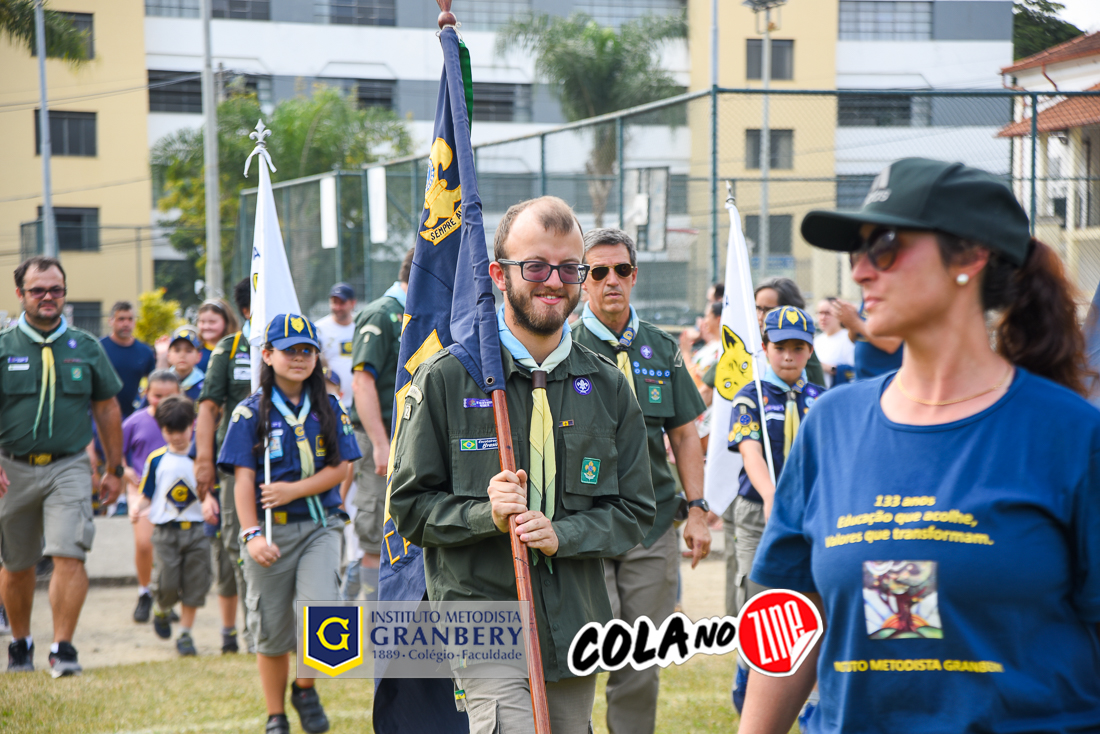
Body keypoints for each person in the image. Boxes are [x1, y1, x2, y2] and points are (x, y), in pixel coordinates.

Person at [740, 158, 1100, 734]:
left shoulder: (1073, 437)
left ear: (970, 256)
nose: (859, 272)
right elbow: (791, 624)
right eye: (856, 251)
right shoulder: (831, 425)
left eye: (884, 245)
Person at [389, 196, 656, 734]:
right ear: (498, 273)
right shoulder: (449, 378)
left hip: (575, 621)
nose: (553, 281)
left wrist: (565, 533)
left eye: (568, 268)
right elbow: (409, 509)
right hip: (482, 615)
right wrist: (483, 514)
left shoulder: (607, 386)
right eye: (534, 266)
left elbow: (635, 511)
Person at [573, 227, 711, 734]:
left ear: (635, 276)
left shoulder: (662, 347)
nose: (612, 280)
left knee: (641, 654)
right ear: (583, 281)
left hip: (652, 526)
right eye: (599, 272)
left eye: (622, 270)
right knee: (583, 646)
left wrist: (697, 508)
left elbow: (685, 434)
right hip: (583, 528)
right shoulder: (562, 345)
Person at [218, 313, 360, 734]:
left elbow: (342, 468)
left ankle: (305, 687)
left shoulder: (329, 406)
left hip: (320, 526)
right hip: (270, 533)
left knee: (324, 614)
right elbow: (243, 481)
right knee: (272, 629)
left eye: (307, 350)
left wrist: (293, 490)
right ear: (267, 354)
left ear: (317, 356)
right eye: (289, 350)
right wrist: (251, 535)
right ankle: (275, 714)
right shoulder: (249, 413)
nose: (299, 358)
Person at [0, 256, 124, 676]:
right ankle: (20, 644)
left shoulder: (87, 347)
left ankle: (63, 648)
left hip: (69, 466)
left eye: (56, 289)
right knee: (16, 565)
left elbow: (107, 408)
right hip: (10, 467)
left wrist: (114, 468)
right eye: (38, 290)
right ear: (21, 294)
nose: (48, 297)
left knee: (70, 553)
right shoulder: (3, 347)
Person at [727, 305, 824, 713]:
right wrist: (772, 498)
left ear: (809, 352)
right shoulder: (750, 396)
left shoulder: (821, 398)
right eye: (780, 346)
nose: (788, 355)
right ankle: (748, 685)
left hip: (810, 515)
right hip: (758, 511)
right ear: (765, 347)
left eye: (798, 348)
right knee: (760, 600)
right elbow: (751, 452)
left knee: (807, 598)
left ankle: (809, 696)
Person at [347, 249, 412, 601]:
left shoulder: (419, 314)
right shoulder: (382, 314)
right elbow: (362, 382)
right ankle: (370, 622)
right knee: (375, 532)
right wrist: (381, 443)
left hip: (411, 438)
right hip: (382, 438)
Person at [194, 278, 254, 655]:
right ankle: (254, 630)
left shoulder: (296, 345)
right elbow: (208, 407)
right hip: (238, 467)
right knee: (239, 543)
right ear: (248, 309)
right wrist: (203, 462)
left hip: (290, 468)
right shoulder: (230, 350)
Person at [137, 395, 214, 656]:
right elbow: (148, 491)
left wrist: (209, 502)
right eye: (170, 431)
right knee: (167, 583)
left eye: (181, 430)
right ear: (162, 430)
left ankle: (185, 634)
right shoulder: (157, 459)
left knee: (195, 583)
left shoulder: (202, 458)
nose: (177, 436)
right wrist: (138, 507)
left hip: (197, 530)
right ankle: (162, 608)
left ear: (192, 425)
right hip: (166, 531)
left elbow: (210, 488)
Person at [122, 369, 181, 623]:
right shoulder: (134, 421)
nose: (164, 401)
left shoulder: (189, 421)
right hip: (141, 489)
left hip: (176, 493)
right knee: (145, 543)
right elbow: (118, 453)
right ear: (147, 394)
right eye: (158, 396)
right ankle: (144, 592)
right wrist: (123, 471)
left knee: (171, 548)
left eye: (170, 396)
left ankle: (166, 596)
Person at [754, 278, 826, 386]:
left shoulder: (802, 348)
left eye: (769, 311)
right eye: (758, 308)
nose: (760, 317)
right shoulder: (750, 340)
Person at [99, 301, 156, 419]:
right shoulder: (98, 348)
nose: (126, 324)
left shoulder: (144, 351)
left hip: (133, 416)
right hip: (102, 416)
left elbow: (155, 383)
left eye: (130, 319)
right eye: (121, 319)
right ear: (111, 321)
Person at [830, 297, 903, 380]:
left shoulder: (893, 299)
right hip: (861, 378)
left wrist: (855, 322)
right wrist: (850, 321)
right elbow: (854, 339)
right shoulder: (867, 300)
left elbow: (891, 344)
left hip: (884, 380)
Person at [316, 283, 356, 410]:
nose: (337, 307)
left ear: (353, 303)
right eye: (334, 302)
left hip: (359, 404)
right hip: (331, 404)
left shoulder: (360, 326)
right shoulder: (319, 329)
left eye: (342, 303)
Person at [813, 299, 855, 388]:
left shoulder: (848, 338)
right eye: (820, 313)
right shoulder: (817, 341)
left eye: (827, 313)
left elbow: (854, 371)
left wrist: (829, 368)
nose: (822, 317)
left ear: (839, 315)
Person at [195, 299, 238, 374]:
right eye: (202, 322)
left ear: (226, 322)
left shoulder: (236, 348)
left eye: (212, 322)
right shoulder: (194, 349)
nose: (206, 326)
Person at [167, 326, 204, 400]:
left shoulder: (205, 385)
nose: (182, 355)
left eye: (189, 350)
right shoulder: (162, 381)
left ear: (199, 356)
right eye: (177, 350)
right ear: (168, 355)